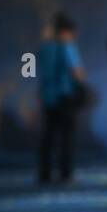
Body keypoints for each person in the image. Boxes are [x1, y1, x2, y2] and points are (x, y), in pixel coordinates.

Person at [36, 12, 86, 185]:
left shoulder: (44, 48)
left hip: (48, 97)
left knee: (48, 138)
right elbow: (77, 72)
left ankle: (45, 173)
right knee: (67, 138)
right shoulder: (68, 47)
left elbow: (33, 70)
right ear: (66, 32)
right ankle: (65, 173)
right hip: (65, 98)